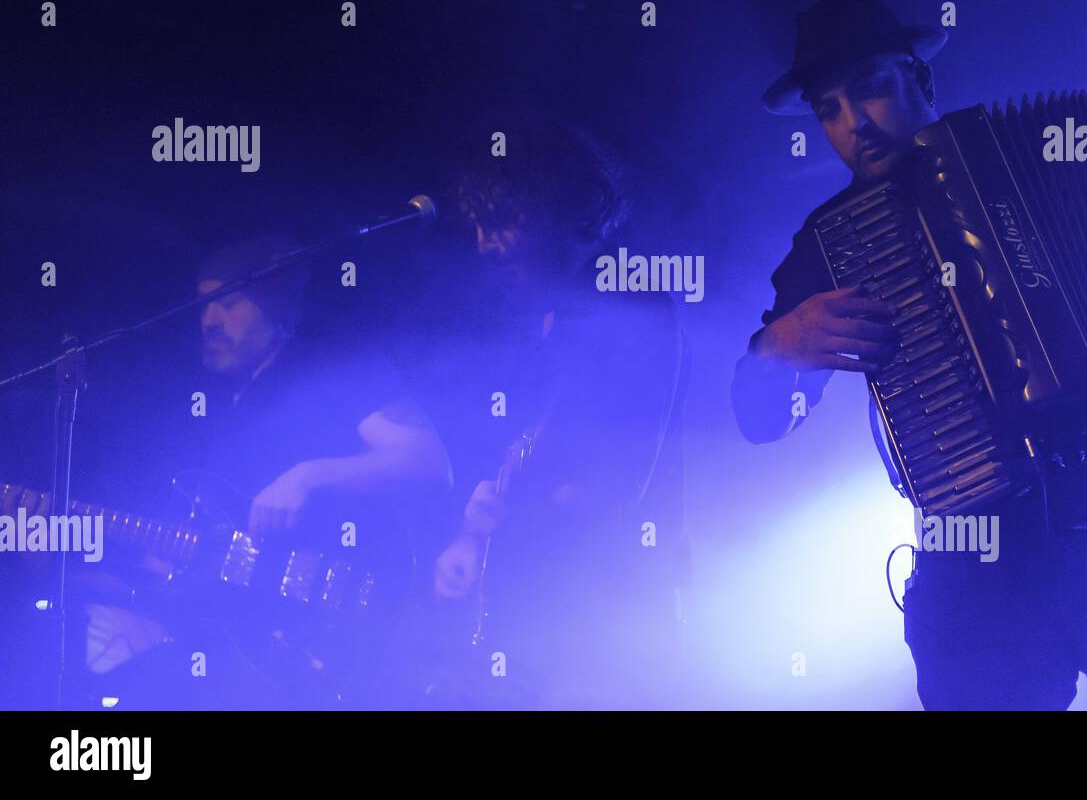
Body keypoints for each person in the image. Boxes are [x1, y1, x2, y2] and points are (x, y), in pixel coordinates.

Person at [731, 0, 1087, 710]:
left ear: (920, 80)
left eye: (871, 87)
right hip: (976, 572)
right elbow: (759, 417)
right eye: (828, 107)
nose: (854, 122)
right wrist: (775, 349)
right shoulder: (832, 243)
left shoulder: (1050, 150)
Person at [79, 233, 453, 709]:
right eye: (204, 307)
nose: (209, 321)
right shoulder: (213, 406)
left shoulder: (326, 363)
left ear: (275, 309)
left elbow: (426, 460)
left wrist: (308, 475)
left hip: (346, 603)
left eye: (228, 304)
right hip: (254, 644)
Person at [427, 116, 690, 709]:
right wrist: (471, 530)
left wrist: (525, 507)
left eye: (499, 223)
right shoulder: (540, 328)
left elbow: (619, 481)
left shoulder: (635, 305)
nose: (483, 245)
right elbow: (517, 452)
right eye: (477, 226)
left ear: (559, 208)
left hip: (603, 625)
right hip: (531, 624)